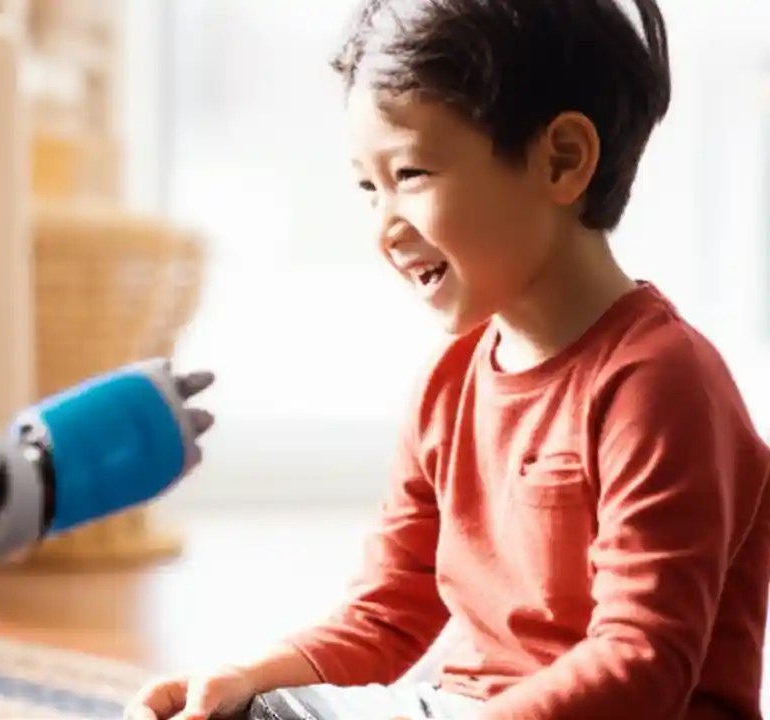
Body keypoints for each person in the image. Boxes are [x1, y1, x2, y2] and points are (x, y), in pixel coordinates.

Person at [125, 0, 770, 718]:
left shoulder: (660, 384)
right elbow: (386, 613)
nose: (385, 228)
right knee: (238, 714)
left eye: (413, 175)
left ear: (562, 159)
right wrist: (247, 678)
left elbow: (641, 664)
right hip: (462, 708)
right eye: (369, 189)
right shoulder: (449, 381)